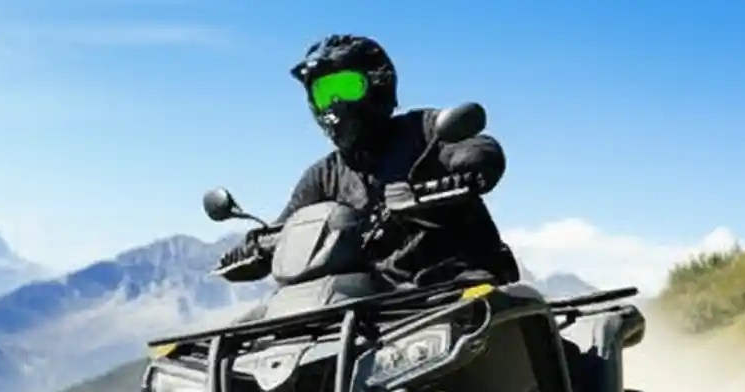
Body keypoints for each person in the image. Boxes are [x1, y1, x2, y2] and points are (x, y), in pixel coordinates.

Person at [216, 33, 521, 288]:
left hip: (455, 278)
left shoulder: (423, 131)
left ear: (379, 85)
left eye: (346, 88)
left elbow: (479, 148)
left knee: (476, 307)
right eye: (323, 94)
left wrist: (464, 172)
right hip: (373, 300)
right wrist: (256, 248)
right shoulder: (323, 175)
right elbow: (288, 225)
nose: (334, 104)